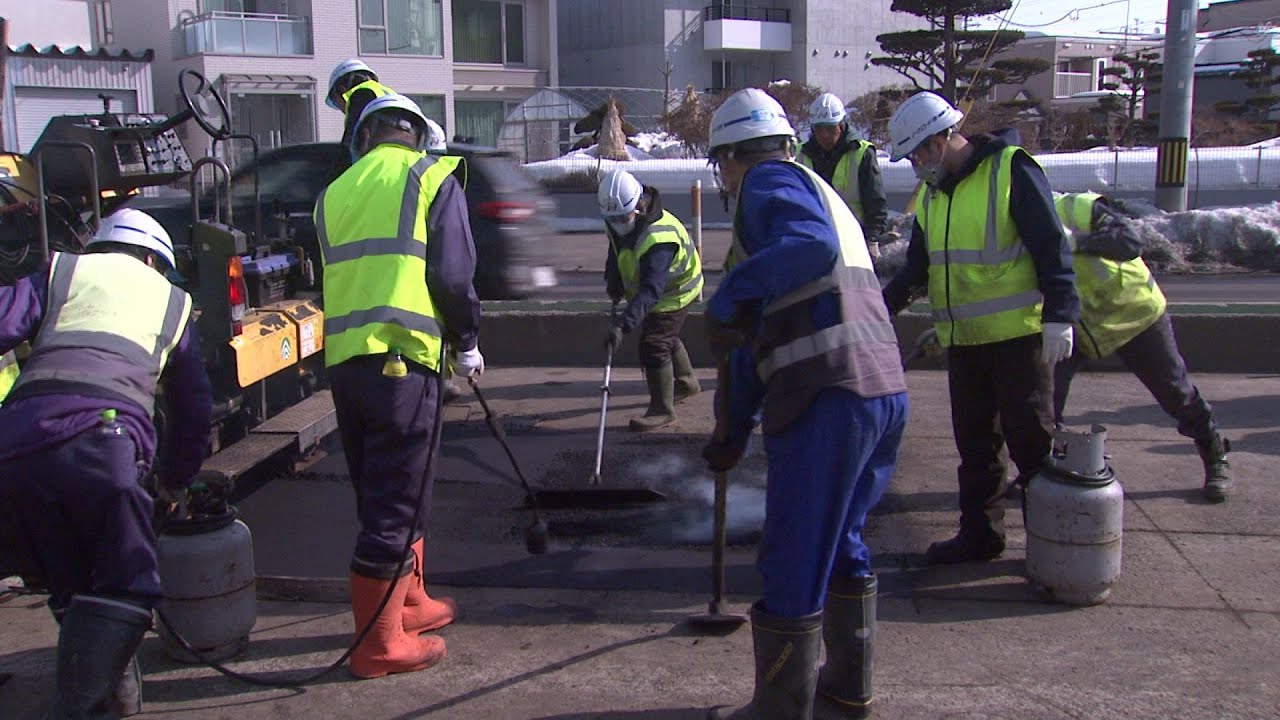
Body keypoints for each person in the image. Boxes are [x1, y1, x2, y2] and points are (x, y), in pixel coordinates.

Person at [701, 88, 909, 720]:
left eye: (722, 166)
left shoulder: (770, 184)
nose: (727, 180)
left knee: (793, 551)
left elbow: (807, 250)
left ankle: (781, 710)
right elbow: (762, 340)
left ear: (733, 156)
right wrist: (731, 428)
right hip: (879, 391)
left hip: (828, 398)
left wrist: (729, 292)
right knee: (841, 540)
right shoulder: (829, 198)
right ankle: (848, 687)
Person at [0, 208, 213, 718]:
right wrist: (173, 481)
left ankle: (111, 698)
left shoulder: (59, 271)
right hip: (104, 447)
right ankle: (85, 706)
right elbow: (193, 407)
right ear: (152, 259)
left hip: (15, 451)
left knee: (69, 581)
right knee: (127, 583)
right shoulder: (172, 301)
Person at [313, 93, 482, 679]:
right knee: (396, 499)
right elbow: (454, 274)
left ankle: (409, 603)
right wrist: (466, 341)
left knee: (386, 488)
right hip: (403, 360)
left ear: (363, 138)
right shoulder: (430, 176)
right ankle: (380, 644)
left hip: (346, 365)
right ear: (417, 134)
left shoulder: (333, 193)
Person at [881, 91, 1080, 565]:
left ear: (940, 140)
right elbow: (917, 269)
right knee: (975, 446)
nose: (915, 167)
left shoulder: (1010, 169)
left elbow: (1051, 246)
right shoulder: (934, 194)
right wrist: (877, 309)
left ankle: (1051, 547)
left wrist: (1059, 315)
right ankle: (981, 536)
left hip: (1018, 339)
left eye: (916, 155)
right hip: (966, 343)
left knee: (1032, 445)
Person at [1051, 191, 1231, 501]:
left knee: (1175, 391)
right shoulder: (1012, 227)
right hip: (1078, 325)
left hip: (1135, 314)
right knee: (1044, 397)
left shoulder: (1075, 207)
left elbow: (1129, 242)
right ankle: (1046, 469)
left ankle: (1214, 453)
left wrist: (1077, 243)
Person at [599, 168, 704, 431]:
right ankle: (686, 381)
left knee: (655, 343)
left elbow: (651, 290)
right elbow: (616, 248)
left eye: (624, 217)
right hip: (657, 289)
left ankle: (662, 410)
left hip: (675, 291)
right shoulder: (617, 220)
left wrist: (622, 326)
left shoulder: (659, 237)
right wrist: (614, 280)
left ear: (639, 205)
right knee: (664, 335)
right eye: (613, 219)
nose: (619, 223)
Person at [798, 92, 889, 257]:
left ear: (841, 125)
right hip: (813, 240)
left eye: (830, 128)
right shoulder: (802, 154)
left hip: (853, 240)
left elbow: (875, 201)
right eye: (819, 129)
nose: (825, 135)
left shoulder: (861, 152)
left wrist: (872, 239)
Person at [325, 58, 395, 150]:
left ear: (341, 90)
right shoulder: (389, 94)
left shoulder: (361, 96)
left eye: (336, 103)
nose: (343, 111)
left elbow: (350, 145)